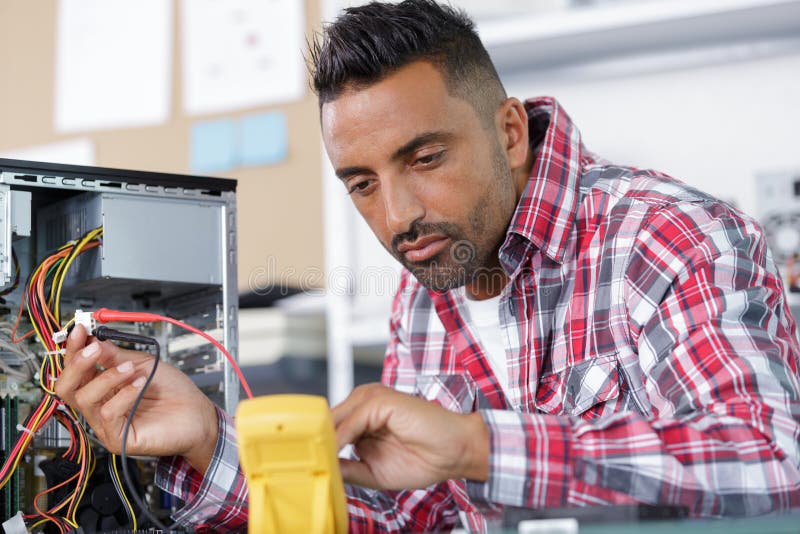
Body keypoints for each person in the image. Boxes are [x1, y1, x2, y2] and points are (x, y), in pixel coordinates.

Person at [55, 0, 800, 532]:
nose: (398, 215)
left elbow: (774, 463)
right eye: (363, 183)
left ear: (509, 132)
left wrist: (479, 446)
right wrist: (205, 441)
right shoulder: (428, 288)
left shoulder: (667, 237)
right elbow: (410, 518)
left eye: (425, 158)